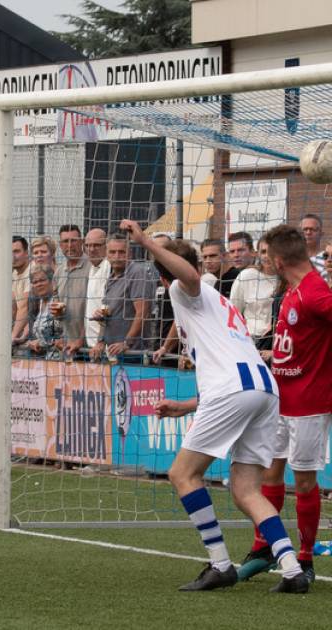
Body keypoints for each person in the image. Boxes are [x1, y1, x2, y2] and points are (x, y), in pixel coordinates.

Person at [125, 219, 307, 594]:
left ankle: (221, 563)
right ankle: (292, 569)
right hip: (262, 390)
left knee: (182, 474)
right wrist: (188, 405)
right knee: (246, 490)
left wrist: (145, 241)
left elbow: (189, 277)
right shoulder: (219, 302)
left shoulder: (183, 288)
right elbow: (229, 365)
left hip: (236, 390)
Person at [237, 224, 332, 586]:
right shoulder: (294, 289)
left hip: (309, 402)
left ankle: (305, 560)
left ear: (277, 261)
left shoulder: (316, 294)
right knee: (268, 473)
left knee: (305, 483)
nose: (263, 261)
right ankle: (265, 547)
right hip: (281, 395)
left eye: (264, 255)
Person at [90, 235, 152, 362]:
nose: (117, 256)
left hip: (133, 354)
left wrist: (126, 343)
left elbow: (143, 313)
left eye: (121, 252)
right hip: (113, 353)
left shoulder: (137, 272)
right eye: (112, 252)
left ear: (130, 253)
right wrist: (100, 341)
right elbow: (106, 312)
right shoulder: (111, 278)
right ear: (106, 254)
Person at [229, 238, 279, 352]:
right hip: (251, 339)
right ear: (257, 254)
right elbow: (233, 312)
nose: (267, 256)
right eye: (263, 252)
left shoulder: (287, 278)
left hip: (278, 340)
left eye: (272, 251)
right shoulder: (246, 276)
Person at [14, 264, 63, 358]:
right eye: (35, 282)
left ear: (51, 281)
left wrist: (40, 343)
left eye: (42, 280)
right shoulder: (39, 304)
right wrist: (23, 339)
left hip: (61, 359)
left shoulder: (57, 301)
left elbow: (61, 333)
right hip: (46, 360)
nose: (38, 284)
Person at [54, 225, 88, 360]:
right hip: (68, 348)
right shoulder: (59, 272)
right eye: (65, 241)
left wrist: (81, 339)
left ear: (82, 242)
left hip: (90, 347)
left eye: (73, 240)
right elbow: (58, 313)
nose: (69, 245)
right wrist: (57, 313)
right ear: (60, 245)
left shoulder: (93, 267)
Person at [83, 228, 110, 349]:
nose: (91, 249)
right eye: (88, 245)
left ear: (106, 246)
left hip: (104, 346)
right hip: (92, 345)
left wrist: (101, 340)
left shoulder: (108, 266)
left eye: (97, 245)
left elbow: (108, 305)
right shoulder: (92, 267)